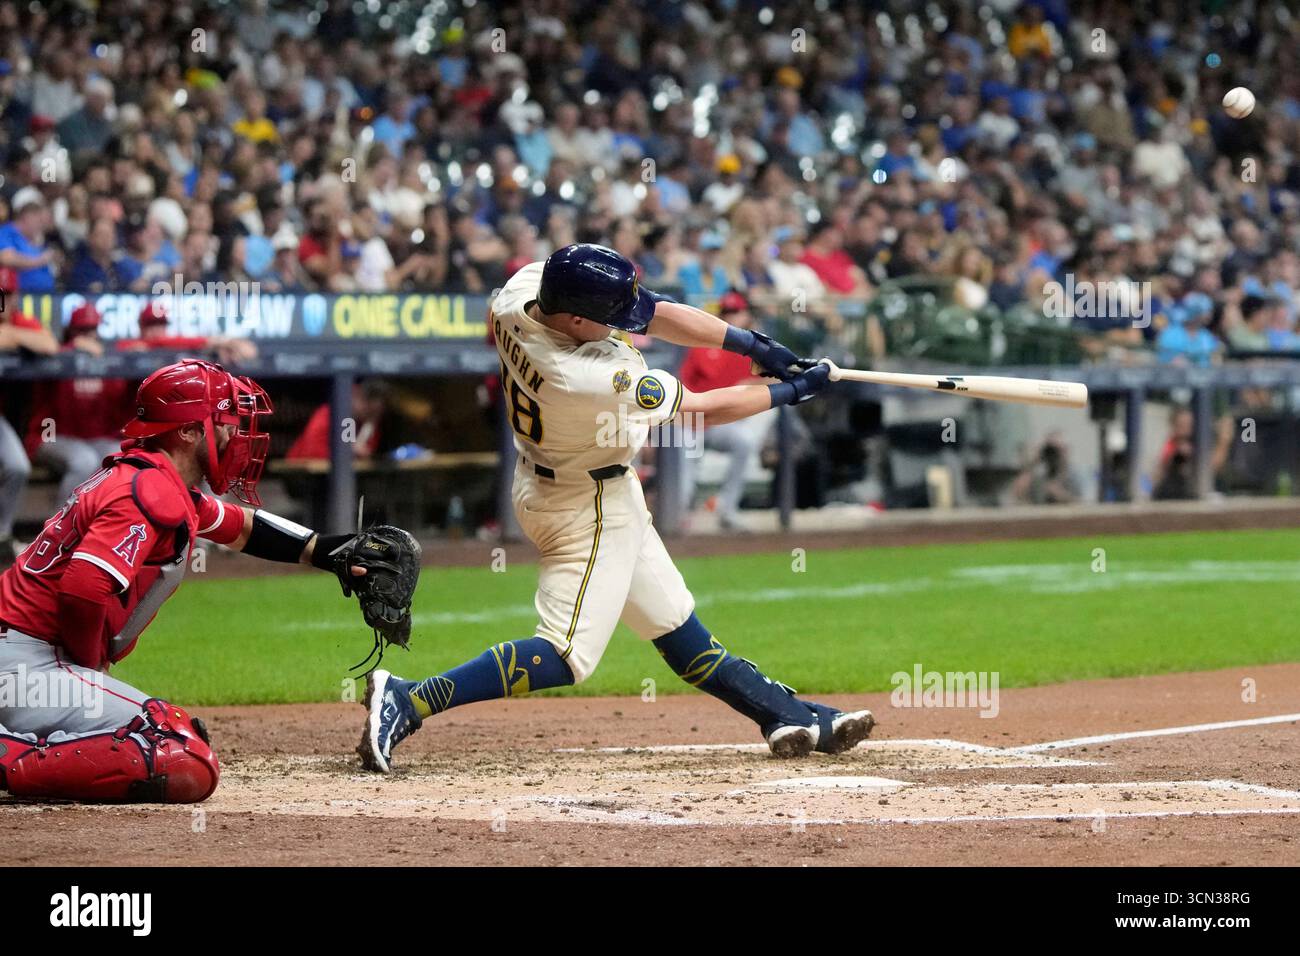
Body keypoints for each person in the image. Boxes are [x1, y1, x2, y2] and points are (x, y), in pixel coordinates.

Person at [357, 243, 873, 773]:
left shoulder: (523, 292)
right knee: (564, 654)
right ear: (576, 317)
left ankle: (789, 717)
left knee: (677, 627)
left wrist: (751, 343)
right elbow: (699, 410)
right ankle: (409, 697)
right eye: (610, 318)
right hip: (587, 505)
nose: (627, 324)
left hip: (573, 485)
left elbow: (656, 310)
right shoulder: (584, 376)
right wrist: (792, 391)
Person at [0, 360, 415, 803]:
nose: (234, 434)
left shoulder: (158, 481)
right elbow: (83, 587)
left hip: (26, 660)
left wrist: (328, 551)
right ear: (187, 432)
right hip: (26, 666)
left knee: (175, 746)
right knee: (181, 756)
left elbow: (242, 527)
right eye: (224, 421)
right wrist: (87, 668)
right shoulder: (149, 491)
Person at [676, 292, 776, 529]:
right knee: (685, 464)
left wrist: (753, 384)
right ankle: (677, 518)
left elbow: (771, 381)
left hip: (719, 423)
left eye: (735, 312)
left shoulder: (752, 351)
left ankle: (727, 510)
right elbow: (695, 381)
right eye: (726, 313)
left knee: (744, 441)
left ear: (746, 316)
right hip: (691, 421)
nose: (731, 318)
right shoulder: (704, 344)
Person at [24, 303, 133, 503]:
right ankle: (58, 528)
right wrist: (73, 348)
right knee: (84, 460)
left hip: (93, 439)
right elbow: (49, 351)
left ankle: (102, 523)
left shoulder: (104, 360)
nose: (89, 335)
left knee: (122, 456)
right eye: (82, 329)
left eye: (92, 329)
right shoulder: (56, 357)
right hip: (50, 437)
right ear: (71, 331)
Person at [0, 290, 59, 565]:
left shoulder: (22, 322)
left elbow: (49, 345)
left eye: (9, 296)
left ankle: (2, 535)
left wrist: (13, 335)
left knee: (18, 466)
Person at [286, 381, 387, 461]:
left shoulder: (365, 423)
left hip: (339, 476)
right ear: (356, 397)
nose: (372, 415)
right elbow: (312, 452)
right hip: (302, 473)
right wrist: (348, 452)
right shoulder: (328, 414)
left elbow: (364, 454)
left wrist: (368, 428)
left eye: (376, 412)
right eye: (369, 409)